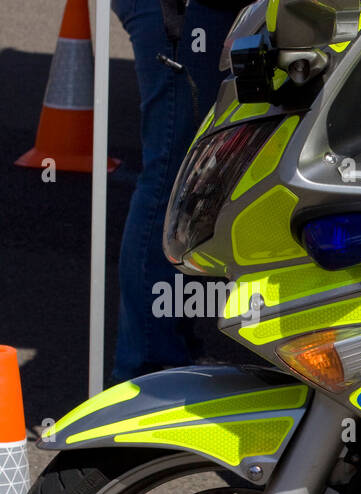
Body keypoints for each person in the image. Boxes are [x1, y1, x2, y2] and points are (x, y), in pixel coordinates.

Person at [111, 0, 242, 382]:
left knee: (190, 180)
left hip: (192, 12)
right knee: (172, 179)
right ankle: (148, 363)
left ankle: (166, 351)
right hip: (179, 12)